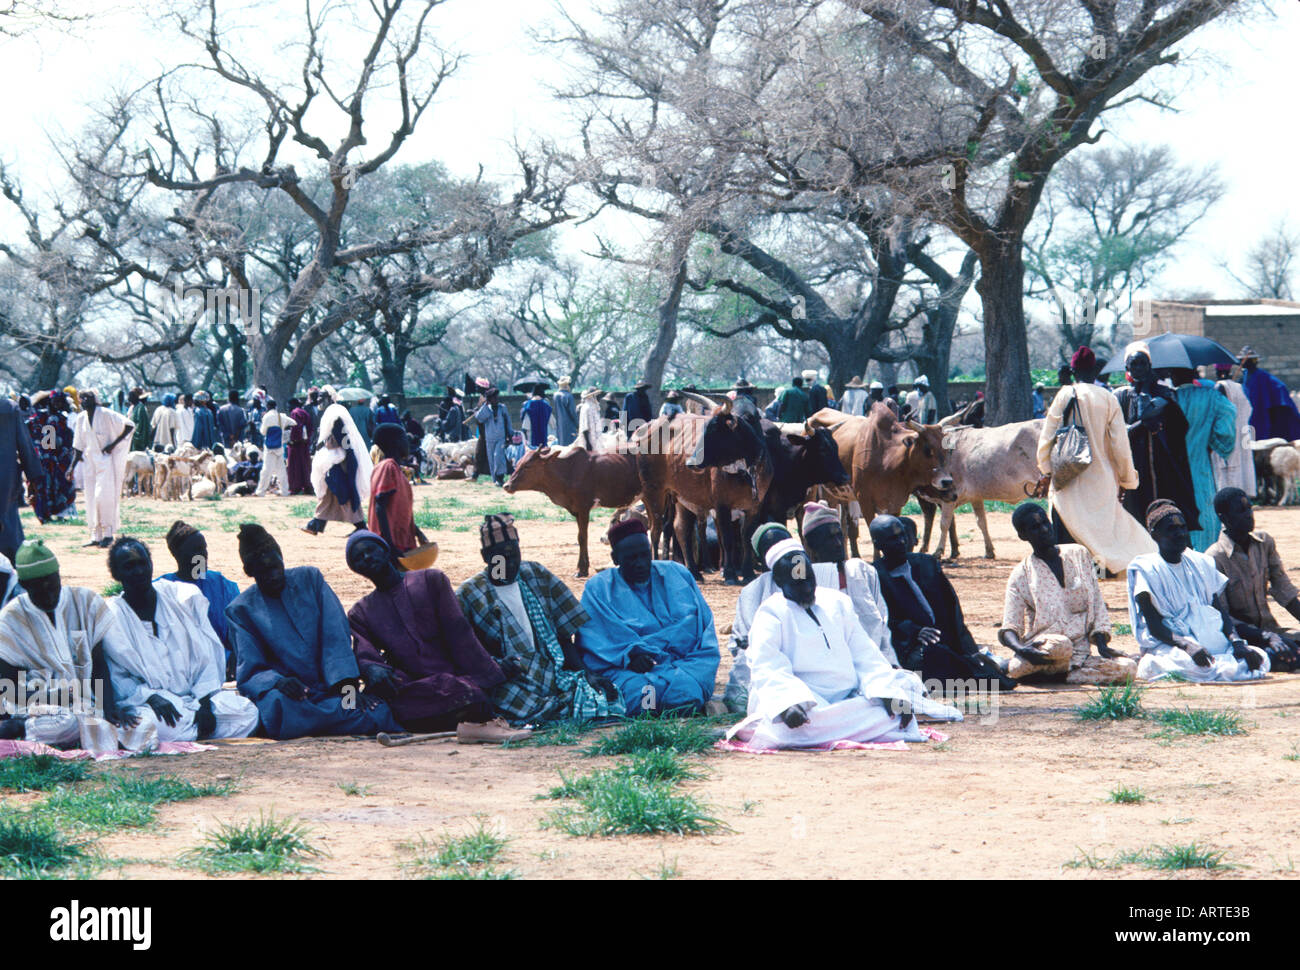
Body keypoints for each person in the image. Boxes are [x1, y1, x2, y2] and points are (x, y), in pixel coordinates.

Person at [726, 537, 960, 750]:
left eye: (808, 579)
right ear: (778, 580)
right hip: (805, 702)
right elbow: (767, 665)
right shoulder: (770, 613)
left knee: (891, 713)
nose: (806, 588)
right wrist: (788, 704)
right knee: (786, 727)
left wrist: (886, 693)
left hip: (848, 699)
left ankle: (829, 728)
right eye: (797, 583)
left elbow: (865, 655)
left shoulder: (838, 603)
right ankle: (812, 726)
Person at [345, 530, 525, 741]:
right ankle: (466, 723)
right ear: (356, 570)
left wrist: (489, 673)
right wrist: (372, 668)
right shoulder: (361, 611)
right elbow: (363, 652)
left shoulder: (431, 580)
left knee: (470, 694)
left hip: (455, 675)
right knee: (387, 707)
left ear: (385, 551)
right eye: (358, 558)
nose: (366, 558)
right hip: (413, 685)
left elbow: (460, 633)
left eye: (370, 550)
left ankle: (460, 719)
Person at [226, 524, 400, 738]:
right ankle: (337, 721)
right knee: (276, 707)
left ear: (282, 558)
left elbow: (335, 637)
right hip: (293, 697)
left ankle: (330, 719)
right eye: (263, 572)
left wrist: (346, 686)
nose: (272, 576)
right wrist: (278, 681)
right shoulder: (240, 610)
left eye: (275, 567)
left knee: (375, 710)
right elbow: (251, 668)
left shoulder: (311, 579)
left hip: (332, 687)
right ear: (249, 572)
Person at [457, 514, 622, 724]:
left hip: (551, 673)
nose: (509, 563)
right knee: (508, 702)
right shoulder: (470, 593)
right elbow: (466, 651)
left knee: (606, 695)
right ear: (485, 556)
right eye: (500, 557)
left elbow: (563, 636)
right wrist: (497, 666)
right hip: (508, 680)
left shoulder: (535, 575)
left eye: (513, 554)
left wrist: (585, 673)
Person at [0, 539, 157, 753]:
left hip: (87, 704)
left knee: (142, 727)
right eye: (39, 590)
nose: (49, 595)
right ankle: (16, 728)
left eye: (52, 585)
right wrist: (53, 697)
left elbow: (99, 665)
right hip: (39, 707)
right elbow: (9, 691)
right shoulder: (10, 620)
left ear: (59, 576)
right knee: (65, 724)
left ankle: (87, 731)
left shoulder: (85, 601)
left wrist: (108, 707)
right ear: (25, 586)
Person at [104, 538, 259, 742]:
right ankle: (197, 732)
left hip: (195, 699)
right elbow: (119, 679)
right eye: (129, 566)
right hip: (152, 706)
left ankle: (189, 731)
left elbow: (207, 658)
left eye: (142, 563)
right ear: (116, 574)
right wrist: (152, 697)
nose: (139, 571)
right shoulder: (112, 615)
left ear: (151, 564)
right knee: (139, 726)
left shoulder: (180, 597)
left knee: (246, 712)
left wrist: (204, 705)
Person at [577, 517, 719, 715]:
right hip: (632, 672)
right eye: (632, 558)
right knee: (644, 700)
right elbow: (597, 641)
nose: (641, 564)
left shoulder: (677, 574)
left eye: (645, 555)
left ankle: (683, 705)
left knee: (687, 693)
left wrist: (667, 656)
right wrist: (630, 656)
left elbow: (700, 629)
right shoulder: (599, 589)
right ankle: (658, 713)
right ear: (616, 559)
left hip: (685, 665)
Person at [1037, 346, 1155, 575]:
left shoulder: (1064, 395)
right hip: (1101, 481)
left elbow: (1046, 438)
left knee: (1069, 536)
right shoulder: (1108, 398)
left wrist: (1045, 470)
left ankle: (1073, 587)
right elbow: (1120, 446)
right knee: (1101, 535)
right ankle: (1104, 576)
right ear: (1095, 369)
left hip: (1067, 477)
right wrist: (1126, 481)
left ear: (1072, 370)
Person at [869, 515, 1017, 690]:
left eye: (902, 535)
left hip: (946, 640)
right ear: (878, 544)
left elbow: (952, 609)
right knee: (931, 658)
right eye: (893, 539)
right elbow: (877, 621)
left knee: (975, 664)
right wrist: (914, 631)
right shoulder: (874, 576)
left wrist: (970, 650)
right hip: (911, 648)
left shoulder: (927, 564)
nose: (901, 541)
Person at [1126, 499, 1267, 682]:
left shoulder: (1201, 562)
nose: (1180, 534)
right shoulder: (1146, 569)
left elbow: (1220, 612)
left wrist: (1237, 642)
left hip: (1215, 642)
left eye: (1183, 527)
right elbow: (1155, 626)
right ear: (1154, 535)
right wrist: (1188, 645)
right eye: (1171, 529)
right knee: (1195, 666)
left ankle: (1226, 664)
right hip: (1174, 645)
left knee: (1258, 656)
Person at [998, 503, 1136, 685]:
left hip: (1080, 655)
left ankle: (1055, 675)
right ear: (1023, 535)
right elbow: (1010, 626)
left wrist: (1102, 645)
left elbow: (1096, 602)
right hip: (1047, 649)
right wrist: (1022, 650)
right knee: (1061, 645)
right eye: (1035, 528)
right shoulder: (1021, 574)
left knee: (1128, 668)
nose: (1045, 529)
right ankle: (1020, 666)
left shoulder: (1079, 554)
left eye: (1045, 523)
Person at [1207, 487, 1300, 671]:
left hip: (1273, 632)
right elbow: (1222, 617)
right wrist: (1265, 636)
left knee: (1291, 650)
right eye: (1241, 511)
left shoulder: (1264, 543)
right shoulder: (1214, 558)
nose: (1249, 514)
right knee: (1283, 657)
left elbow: (1284, 592)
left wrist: (1272, 635)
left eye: (1250, 508)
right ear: (1224, 518)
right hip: (1243, 638)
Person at [1114, 348, 1199, 533]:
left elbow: (1178, 427)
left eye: (1142, 363)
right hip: (1134, 465)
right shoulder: (1121, 396)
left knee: (1164, 510)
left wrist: (1153, 409)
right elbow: (1118, 432)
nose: (1138, 368)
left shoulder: (1164, 393)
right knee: (1135, 514)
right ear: (1127, 368)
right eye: (1134, 364)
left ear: (1150, 366)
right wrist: (1142, 425)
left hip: (1163, 465)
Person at [801, 502, 896, 661]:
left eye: (840, 535)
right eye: (829, 538)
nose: (839, 544)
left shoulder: (860, 571)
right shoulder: (805, 585)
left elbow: (881, 620)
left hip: (874, 658)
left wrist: (889, 661)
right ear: (812, 546)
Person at [159, 520, 241, 679]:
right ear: (176, 554)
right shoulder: (163, 589)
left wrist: (235, 654)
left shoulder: (220, 584)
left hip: (223, 663)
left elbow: (237, 628)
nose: (203, 554)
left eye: (204, 548)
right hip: (181, 669)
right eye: (196, 550)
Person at [1169, 368, 1237, 552]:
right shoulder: (1211, 397)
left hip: (1172, 472)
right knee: (1205, 517)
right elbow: (1228, 421)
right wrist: (1211, 439)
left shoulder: (1167, 399)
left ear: (1172, 375)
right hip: (1201, 469)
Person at [67, 389, 133, 550]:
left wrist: (112, 445)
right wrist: (71, 468)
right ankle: (95, 536)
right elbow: (78, 446)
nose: (83, 400)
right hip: (90, 464)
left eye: (87, 398)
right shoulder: (81, 418)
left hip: (105, 462)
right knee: (90, 498)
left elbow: (129, 426)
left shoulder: (105, 413)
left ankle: (108, 534)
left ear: (95, 399)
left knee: (103, 497)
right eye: (81, 398)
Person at [303, 402, 371, 535]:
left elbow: (345, 446)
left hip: (341, 465)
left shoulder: (339, 427)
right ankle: (316, 524)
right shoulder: (337, 427)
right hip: (336, 465)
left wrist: (329, 445)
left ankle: (360, 525)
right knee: (330, 495)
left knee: (344, 494)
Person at [368, 423, 427, 558]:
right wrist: (389, 545)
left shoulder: (396, 469)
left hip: (400, 541)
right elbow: (380, 507)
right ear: (395, 443)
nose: (408, 443)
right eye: (405, 439)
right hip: (390, 544)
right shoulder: (388, 467)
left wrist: (417, 532)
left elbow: (400, 509)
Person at [2, 394, 43, 561]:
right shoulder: (8, 408)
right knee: (9, 528)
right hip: (6, 478)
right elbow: (25, 444)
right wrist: (33, 477)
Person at [1211, 364, 1255, 497]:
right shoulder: (1240, 387)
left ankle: (1229, 498)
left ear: (1217, 371)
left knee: (1227, 467)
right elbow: (1249, 409)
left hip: (1229, 432)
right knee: (1241, 464)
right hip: (1243, 432)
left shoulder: (1219, 387)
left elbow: (1219, 412)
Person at [1239, 346, 1300, 442]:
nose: (1241, 363)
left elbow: (1280, 388)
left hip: (1261, 416)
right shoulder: (1243, 378)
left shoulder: (1263, 377)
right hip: (1246, 418)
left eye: (1244, 360)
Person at [253, 399, 295, 497]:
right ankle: (285, 491)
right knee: (282, 471)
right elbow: (293, 422)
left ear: (267, 407)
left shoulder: (266, 416)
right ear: (276, 407)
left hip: (269, 447)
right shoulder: (282, 416)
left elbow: (263, 432)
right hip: (279, 446)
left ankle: (260, 491)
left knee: (266, 470)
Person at [475, 386, 512, 486]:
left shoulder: (502, 408)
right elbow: (479, 418)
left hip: (501, 437)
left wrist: (510, 435)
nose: (496, 399)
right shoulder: (486, 409)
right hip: (490, 438)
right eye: (494, 398)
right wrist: (485, 405)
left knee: (498, 456)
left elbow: (508, 422)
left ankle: (500, 477)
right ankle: (495, 479)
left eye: (497, 397)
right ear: (489, 399)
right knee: (492, 459)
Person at [286, 397, 313, 495]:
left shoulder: (295, 413)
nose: (288, 408)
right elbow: (310, 428)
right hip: (305, 444)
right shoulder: (305, 413)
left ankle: (296, 487)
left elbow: (296, 428)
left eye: (288, 406)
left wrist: (293, 440)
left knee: (295, 466)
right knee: (305, 466)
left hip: (296, 445)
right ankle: (307, 486)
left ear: (293, 405)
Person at [520, 385, 552, 450]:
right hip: (544, 433)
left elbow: (525, 422)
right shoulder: (546, 405)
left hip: (531, 433)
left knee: (533, 450)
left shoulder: (529, 404)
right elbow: (553, 423)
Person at [552, 377, 579, 446]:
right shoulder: (568, 396)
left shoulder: (555, 395)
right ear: (567, 385)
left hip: (560, 424)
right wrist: (578, 425)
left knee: (561, 445)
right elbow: (573, 412)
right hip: (569, 425)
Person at [578, 387, 604, 452]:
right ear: (593, 396)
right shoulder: (586, 408)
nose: (599, 397)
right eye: (597, 395)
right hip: (590, 439)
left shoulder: (594, 407)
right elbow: (584, 427)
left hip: (596, 439)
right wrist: (588, 443)